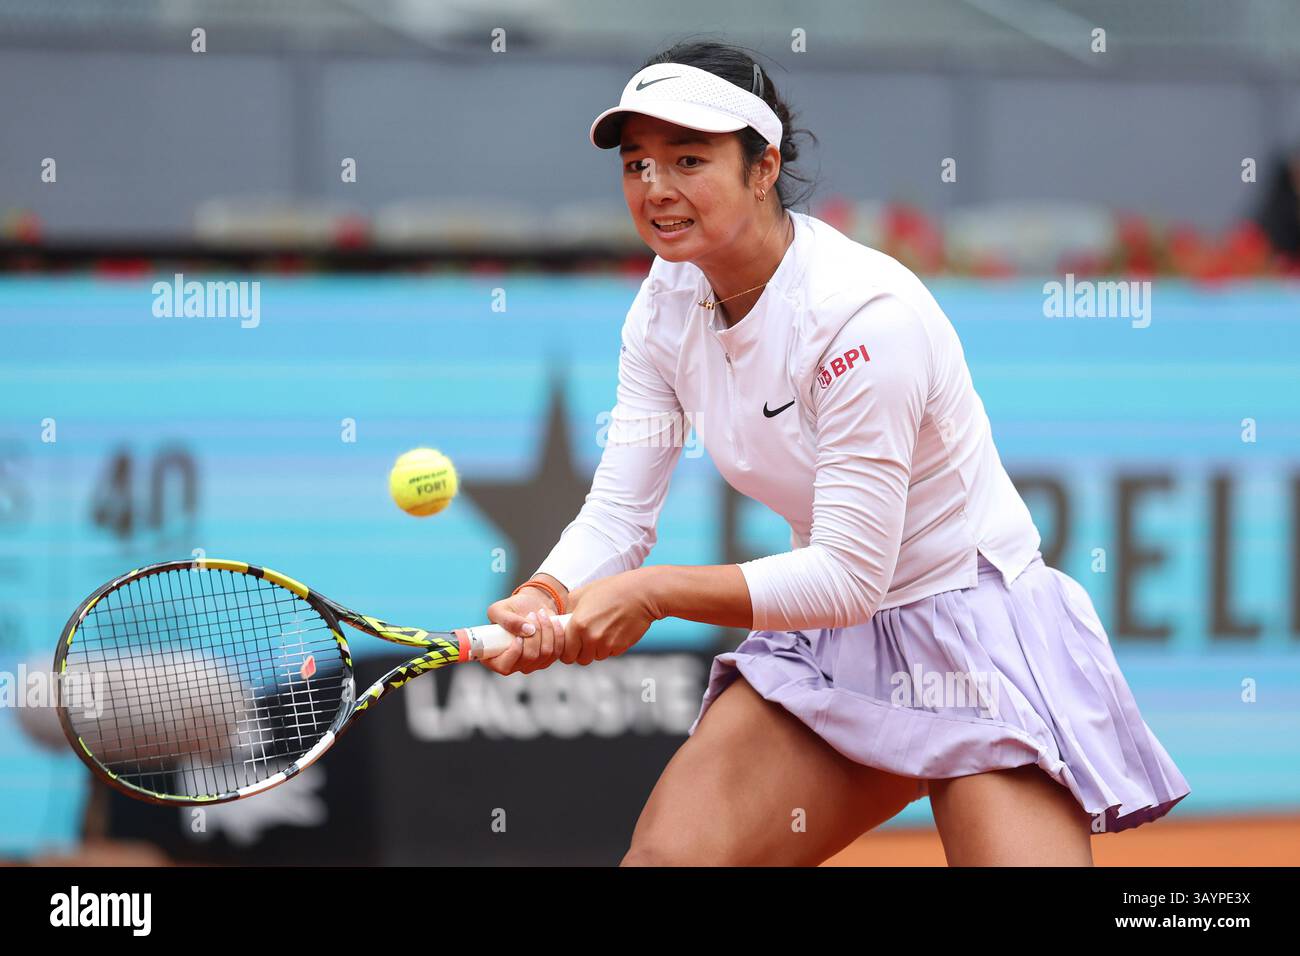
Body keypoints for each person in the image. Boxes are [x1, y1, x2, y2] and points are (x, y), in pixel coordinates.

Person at [483, 40, 1190, 866]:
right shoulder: (665, 303)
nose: (656, 188)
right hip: (830, 642)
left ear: (763, 167)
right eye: (636, 164)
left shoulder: (863, 317)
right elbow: (619, 511)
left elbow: (853, 574)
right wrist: (547, 589)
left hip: (970, 627)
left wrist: (650, 595)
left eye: (687, 159)